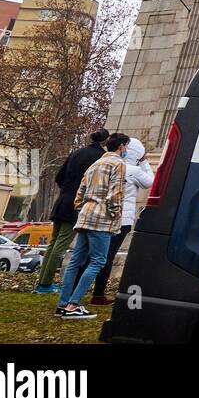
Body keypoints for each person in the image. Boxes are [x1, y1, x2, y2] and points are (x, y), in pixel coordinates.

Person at [56, 133, 127, 320]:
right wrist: (114, 214)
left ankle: (62, 304)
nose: (126, 150)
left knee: (75, 261)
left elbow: (80, 193)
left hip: (85, 215)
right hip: (101, 218)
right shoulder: (118, 164)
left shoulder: (95, 164)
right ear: (120, 147)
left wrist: (83, 209)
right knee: (98, 261)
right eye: (125, 146)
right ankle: (73, 305)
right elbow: (115, 194)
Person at [35, 129, 109, 294]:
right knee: (61, 244)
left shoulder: (76, 152)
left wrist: (67, 191)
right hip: (76, 204)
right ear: (105, 141)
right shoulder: (100, 157)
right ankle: (45, 284)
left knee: (53, 243)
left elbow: (59, 177)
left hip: (62, 200)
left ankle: (42, 281)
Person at [89, 136, 154, 305]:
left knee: (93, 255)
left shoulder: (107, 165)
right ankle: (98, 294)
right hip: (122, 218)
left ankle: (79, 290)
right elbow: (150, 181)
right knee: (107, 256)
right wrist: (144, 161)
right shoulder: (134, 170)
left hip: (101, 214)